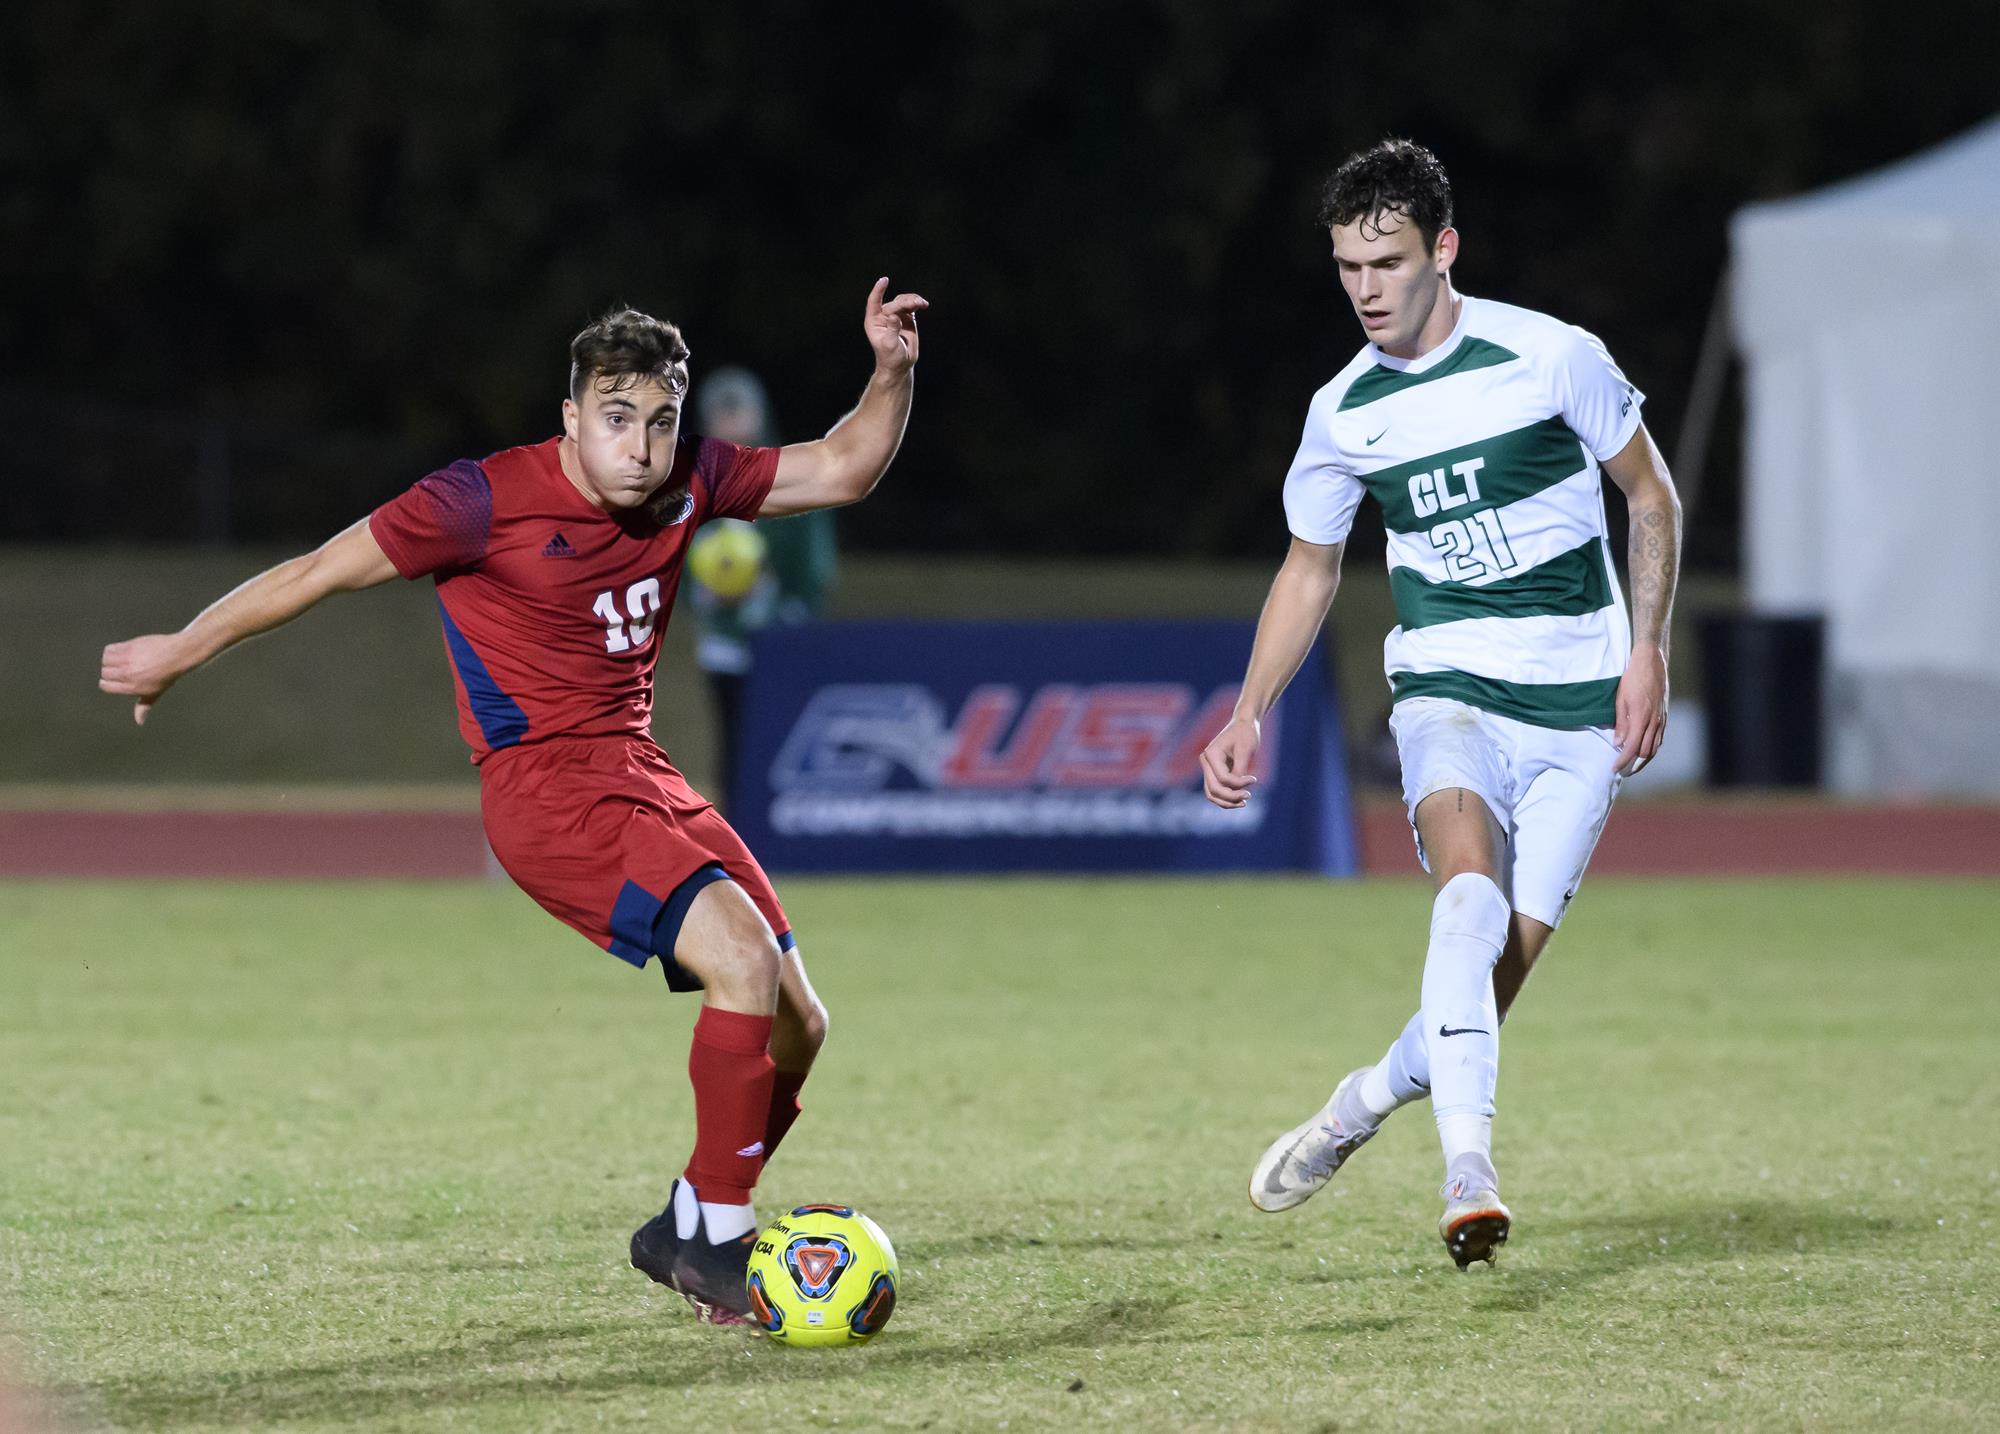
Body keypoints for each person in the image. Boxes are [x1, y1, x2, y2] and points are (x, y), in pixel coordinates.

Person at [98, 278, 927, 1322]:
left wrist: (890, 370)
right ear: (572, 419)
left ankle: (684, 1216)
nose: (641, 447)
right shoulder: (477, 501)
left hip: (640, 769)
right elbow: (315, 571)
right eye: (616, 421)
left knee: (801, 1024)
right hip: (544, 788)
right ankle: (716, 1241)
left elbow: (844, 467)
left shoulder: (691, 481)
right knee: (741, 963)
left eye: (660, 423)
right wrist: (182, 648)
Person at [1202, 140, 1680, 1268]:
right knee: (1463, 907)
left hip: (1575, 710)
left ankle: (1361, 1102)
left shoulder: (1549, 356)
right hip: (1443, 687)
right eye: (1345, 267)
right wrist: (1247, 709)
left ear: (1442, 250)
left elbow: (1648, 496)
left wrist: (1648, 651)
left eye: (1387, 261)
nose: (1364, 288)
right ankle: (1470, 1177)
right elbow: (1309, 567)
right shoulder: (1344, 412)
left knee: (1489, 983)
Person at [686, 367, 838, 810]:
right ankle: (738, 835)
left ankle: (789, 833)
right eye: (722, 415)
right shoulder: (692, 485)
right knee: (732, 745)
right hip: (721, 644)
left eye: (740, 413)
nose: (732, 425)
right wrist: (703, 594)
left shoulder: (788, 476)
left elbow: (813, 565)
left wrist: (781, 601)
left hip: (778, 642)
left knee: (782, 743)